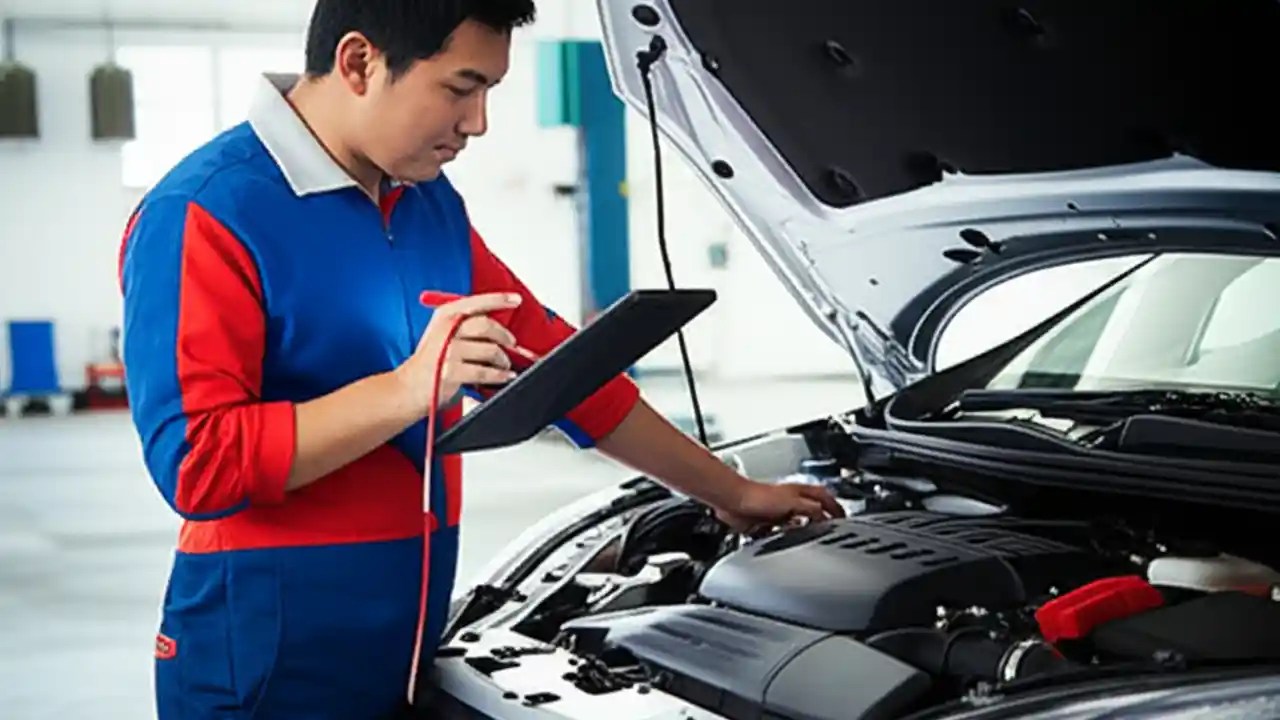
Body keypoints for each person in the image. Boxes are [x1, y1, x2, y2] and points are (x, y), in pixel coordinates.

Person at [117, 1, 844, 718]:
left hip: (403, 653)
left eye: (488, 91)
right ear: (359, 62)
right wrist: (407, 391)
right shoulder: (205, 212)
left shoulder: (426, 203)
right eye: (461, 88)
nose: (477, 123)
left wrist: (732, 493)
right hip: (265, 672)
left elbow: (567, 372)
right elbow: (198, 464)